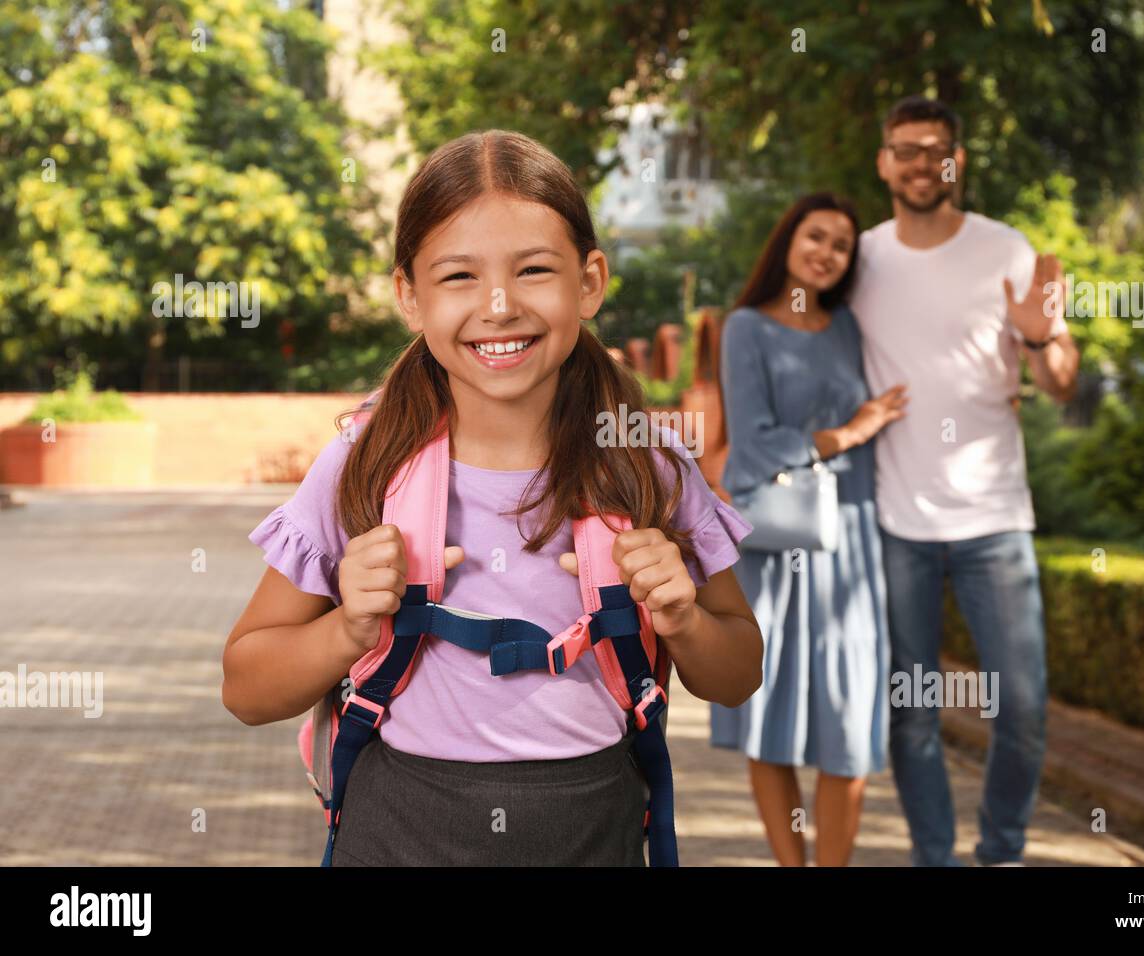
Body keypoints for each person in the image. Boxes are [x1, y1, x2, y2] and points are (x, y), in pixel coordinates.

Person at [222, 129, 763, 866]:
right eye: (458, 278)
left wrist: (685, 620)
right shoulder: (363, 465)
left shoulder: (647, 463)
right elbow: (246, 689)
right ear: (409, 297)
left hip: (593, 829)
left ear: (591, 281)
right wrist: (348, 628)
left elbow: (738, 674)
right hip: (399, 831)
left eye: (534, 269)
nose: (499, 306)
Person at [849, 95, 1080, 866]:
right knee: (911, 714)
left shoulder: (1005, 249)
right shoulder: (864, 257)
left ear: (958, 161)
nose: (921, 162)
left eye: (935, 148)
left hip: (994, 517)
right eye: (904, 148)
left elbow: (1061, 383)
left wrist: (1043, 338)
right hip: (895, 521)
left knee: (1021, 707)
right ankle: (934, 858)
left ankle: (1002, 850)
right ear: (884, 162)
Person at [710, 193, 908, 866]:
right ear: (788, 241)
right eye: (814, 236)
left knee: (848, 730)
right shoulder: (746, 328)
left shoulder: (851, 326)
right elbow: (753, 448)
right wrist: (850, 431)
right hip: (779, 546)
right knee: (771, 723)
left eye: (841, 245)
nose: (826, 252)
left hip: (851, 544)